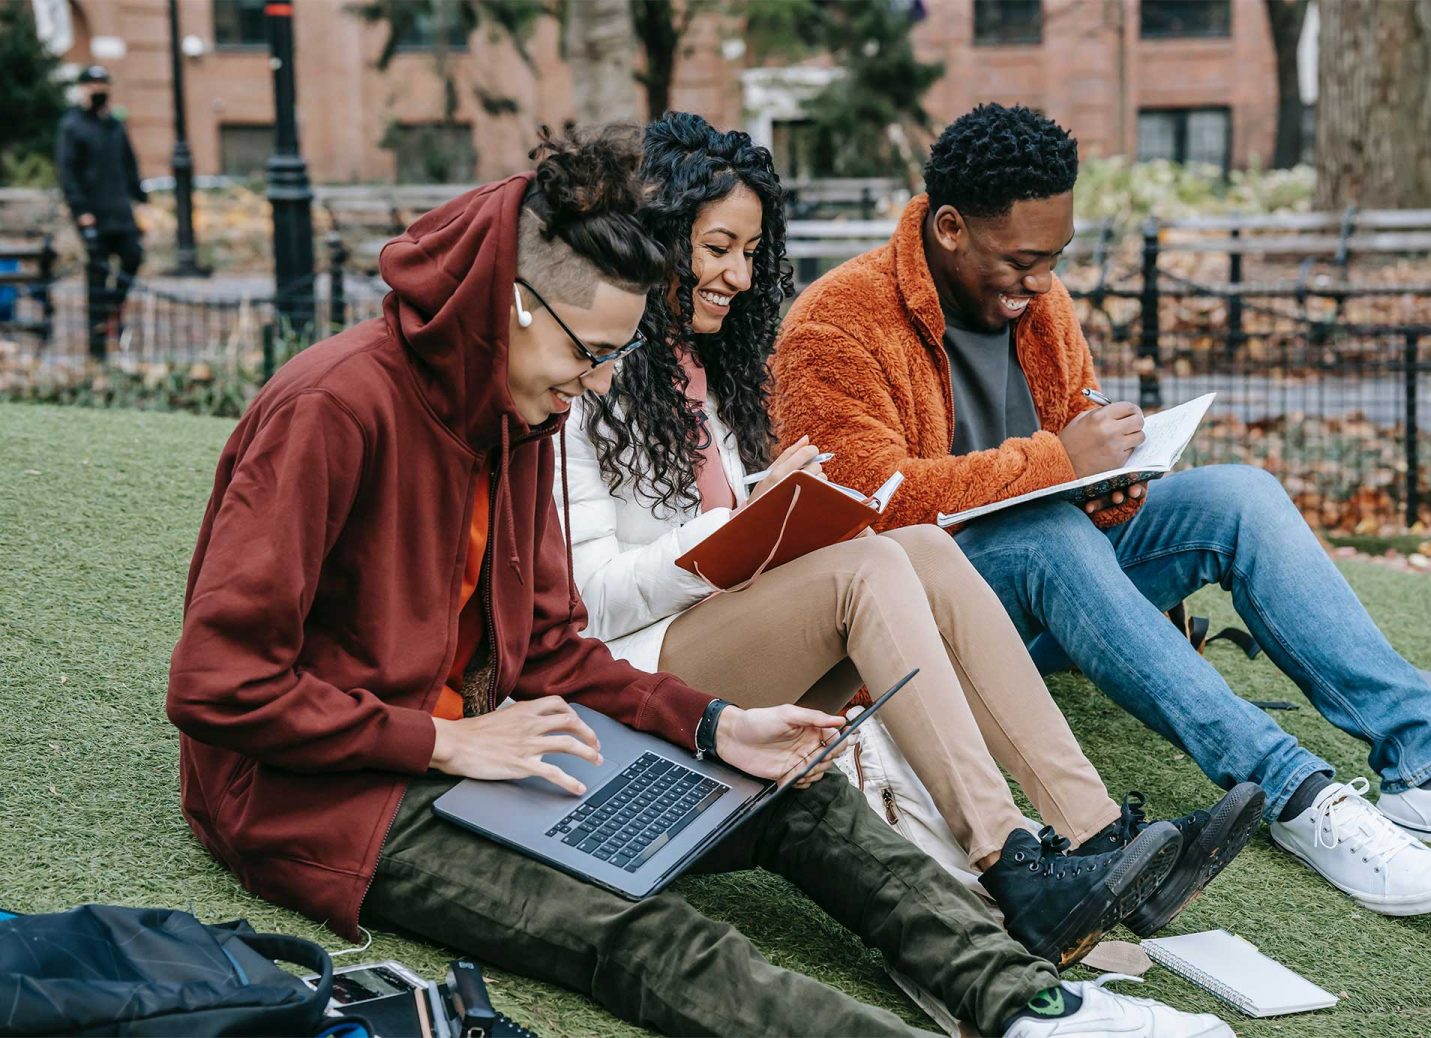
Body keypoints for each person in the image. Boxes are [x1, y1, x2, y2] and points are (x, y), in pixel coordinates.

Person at [165, 125, 1231, 1038]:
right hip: (344, 798)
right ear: (518, 305)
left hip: (508, 740)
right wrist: (447, 740)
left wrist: (716, 725)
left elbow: (550, 650)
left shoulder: (521, 407)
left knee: (794, 795)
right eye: (586, 357)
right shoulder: (330, 410)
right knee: (632, 930)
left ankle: (1033, 1007)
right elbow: (218, 684)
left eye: (610, 366)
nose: (589, 390)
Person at [557, 112, 1261, 967]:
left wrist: (774, 512)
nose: (737, 276)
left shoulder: (717, 367)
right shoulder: (579, 373)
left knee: (920, 548)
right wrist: (743, 525)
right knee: (867, 567)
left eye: (750, 253)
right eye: (715, 249)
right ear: (657, 236)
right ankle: (1010, 862)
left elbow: (732, 526)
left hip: (726, 628)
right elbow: (589, 602)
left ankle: (1092, 835)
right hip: (638, 673)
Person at [772, 102, 1431, 918]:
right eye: (1021, 261)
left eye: (1055, 258)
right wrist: (1055, 465)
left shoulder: (1042, 302)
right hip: (937, 621)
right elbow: (859, 511)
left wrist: (1111, 486)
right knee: (1044, 533)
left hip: (1062, 582)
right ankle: (1299, 796)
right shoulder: (835, 322)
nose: (1040, 283)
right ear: (948, 227)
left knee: (1240, 495)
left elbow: (1076, 433)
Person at [55, 65, 146, 359]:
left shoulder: (115, 125)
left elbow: (129, 166)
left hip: (120, 210)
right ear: (83, 88)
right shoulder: (72, 125)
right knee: (97, 273)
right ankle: (97, 347)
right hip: (92, 213)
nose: (98, 89)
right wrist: (80, 210)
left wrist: (141, 200)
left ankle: (111, 310)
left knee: (133, 256)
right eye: (92, 84)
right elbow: (67, 173)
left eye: (102, 83)